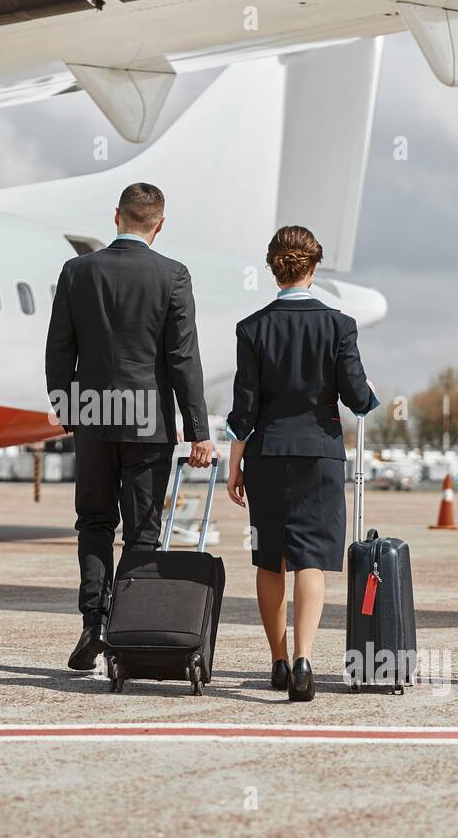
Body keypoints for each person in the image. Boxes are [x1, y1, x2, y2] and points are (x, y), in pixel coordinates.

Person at [46, 183, 216, 671]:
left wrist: (67, 408)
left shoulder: (77, 271)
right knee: (142, 530)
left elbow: (60, 349)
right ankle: (128, 632)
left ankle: (92, 622)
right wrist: (198, 429)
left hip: (95, 413)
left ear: (115, 216)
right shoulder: (173, 276)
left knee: (94, 523)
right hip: (149, 420)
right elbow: (183, 359)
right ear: (159, 225)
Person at [225, 226, 378, 701]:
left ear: (275, 267)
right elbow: (357, 396)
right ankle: (305, 659)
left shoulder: (251, 328)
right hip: (319, 454)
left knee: (271, 559)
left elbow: (243, 410)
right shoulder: (339, 325)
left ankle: (277, 658)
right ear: (314, 266)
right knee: (311, 558)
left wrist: (235, 466)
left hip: (267, 454)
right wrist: (371, 399)